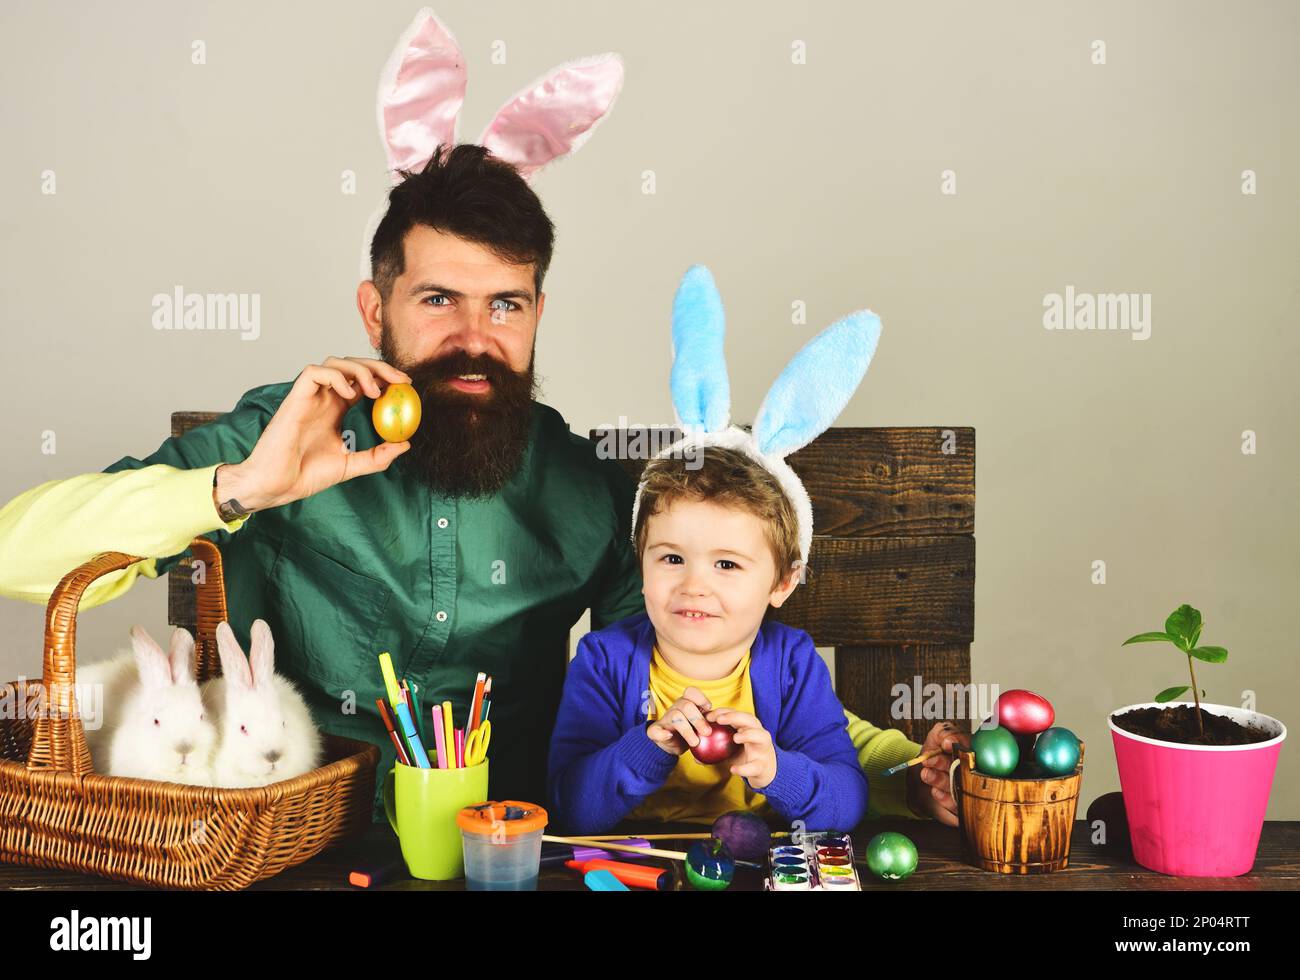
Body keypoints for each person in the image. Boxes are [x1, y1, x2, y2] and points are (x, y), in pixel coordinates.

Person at [0, 144, 642, 819]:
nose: (474, 339)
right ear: (375, 312)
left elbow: (651, 699)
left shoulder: (592, 492)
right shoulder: (285, 434)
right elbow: (14, 554)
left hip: (502, 851)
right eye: (438, 299)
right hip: (285, 847)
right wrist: (241, 486)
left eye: (505, 305)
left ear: (538, 311)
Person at [547, 264, 969, 834]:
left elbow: (844, 799)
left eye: (727, 564)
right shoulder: (603, 661)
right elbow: (569, 804)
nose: (694, 583)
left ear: (782, 583)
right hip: (635, 869)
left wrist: (777, 772)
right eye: (671, 558)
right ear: (640, 561)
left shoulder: (792, 666)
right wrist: (647, 746)